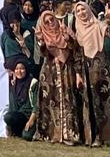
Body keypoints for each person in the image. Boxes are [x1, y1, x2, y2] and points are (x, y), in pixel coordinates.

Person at [72, 0, 110, 145]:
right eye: (78, 11)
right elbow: (77, 54)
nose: (81, 13)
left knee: (102, 102)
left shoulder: (99, 24)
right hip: (86, 70)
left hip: (101, 69)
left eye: (83, 9)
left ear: (89, 10)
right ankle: (90, 136)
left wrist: (109, 20)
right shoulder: (77, 29)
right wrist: (78, 74)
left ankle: (102, 136)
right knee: (88, 102)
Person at [33, 9, 80, 145]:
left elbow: (74, 49)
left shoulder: (65, 30)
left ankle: (68, 134)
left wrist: (68, 39)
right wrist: (41, 43)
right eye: (46, 22)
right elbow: (43, 54)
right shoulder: (42, 35)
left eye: (51, 19)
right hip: (50, 72)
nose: (50, 23)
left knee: (67, 99)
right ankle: (53, 133)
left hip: (66, 70)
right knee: (51, 101)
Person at [4, 60, 38, 140]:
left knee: (27, 136)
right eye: (16, 69)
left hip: (30, 116)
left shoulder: (33, 83)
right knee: (8, 117)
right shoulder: (13, 84)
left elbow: (37, 104)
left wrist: (31, 120)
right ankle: (15, 130)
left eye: (22, 69)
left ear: (26, 70)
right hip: (19, 116)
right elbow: (12, 107)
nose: (19, 71)